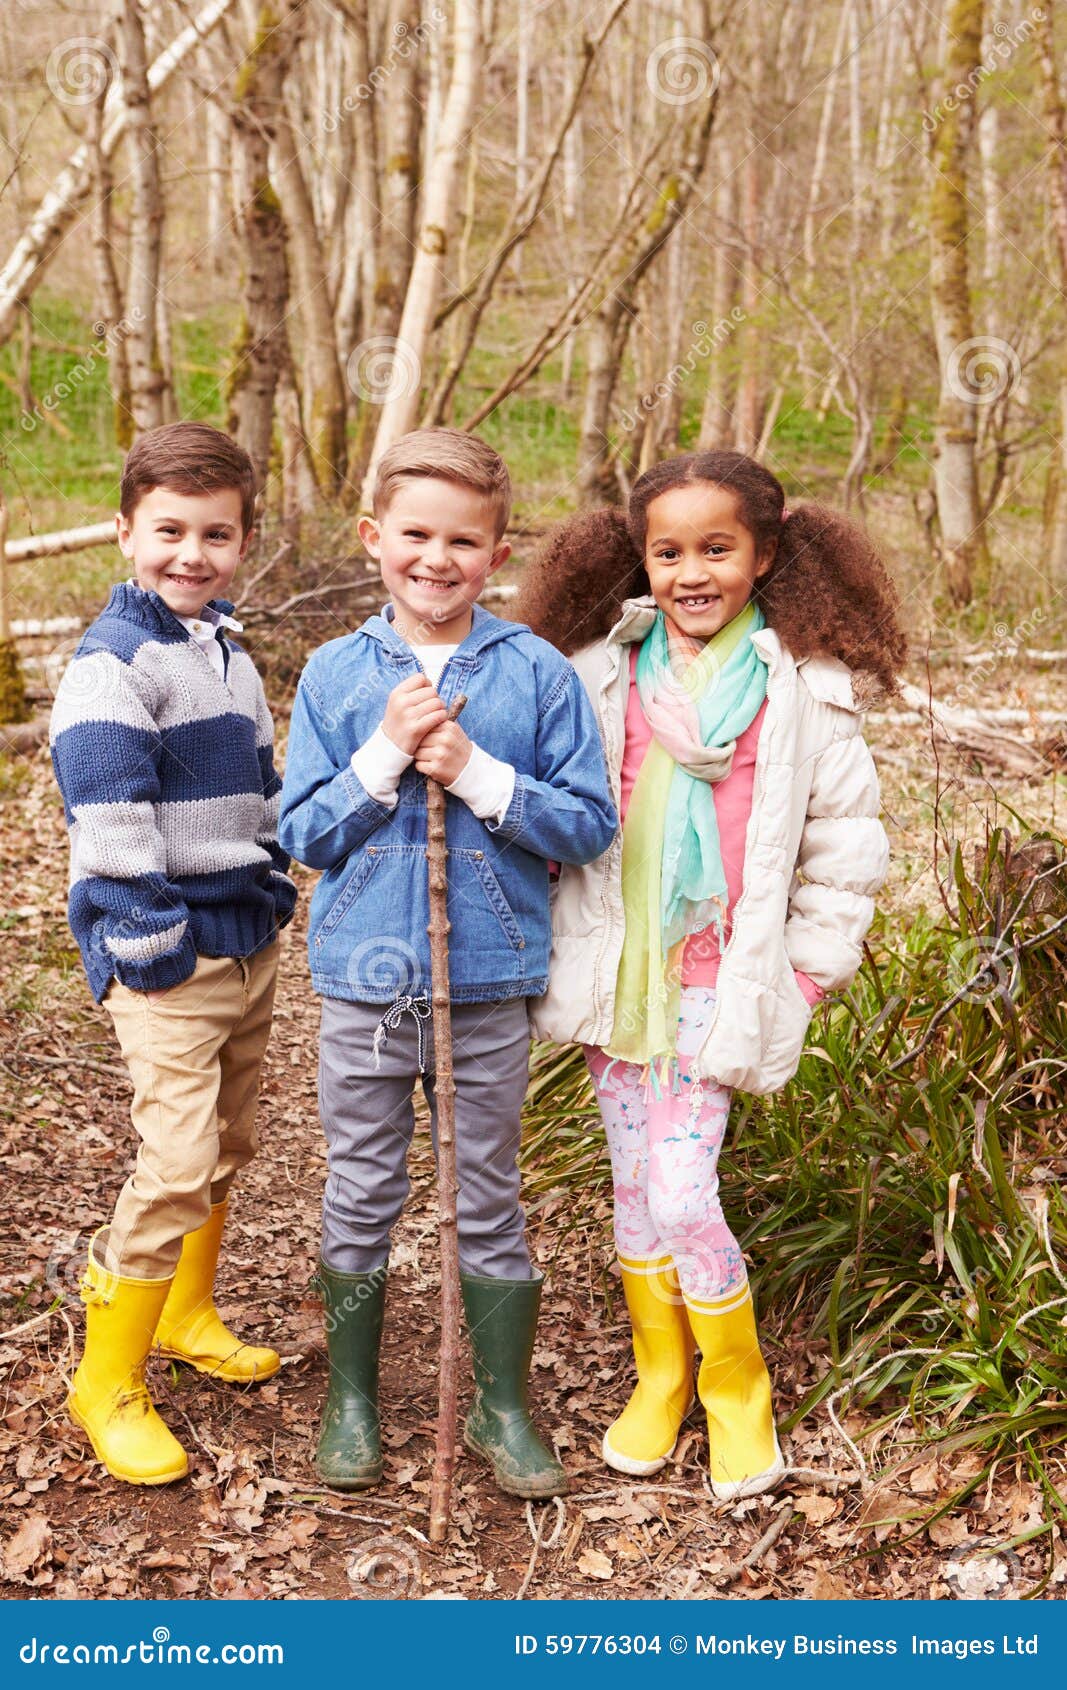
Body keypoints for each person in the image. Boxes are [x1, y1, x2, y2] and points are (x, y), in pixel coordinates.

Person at [521, 449, 906, 1501]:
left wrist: (806, 978)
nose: (691, 572)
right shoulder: (599, 674)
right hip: (618, 977)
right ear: (640, 559)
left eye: (716, 549)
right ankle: (661, 1376)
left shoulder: (804, 692)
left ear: (763, 555)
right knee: (634, 1189)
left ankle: (737, 1389)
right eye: (668, 552)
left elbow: (843, 850)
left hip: (723, 979)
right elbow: (564, 819)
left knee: (683, 1190)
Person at [278, 428, 616, 1500]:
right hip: (365, 985)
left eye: (463, 541)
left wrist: (476, 772)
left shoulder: (536, 673)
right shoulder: (335, 674)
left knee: (487, 1195)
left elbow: (587, 825)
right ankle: (351, 1399)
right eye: (415, 535)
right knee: (362, 1188)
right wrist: (383, 754)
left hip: (487, 983)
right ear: (372, 536)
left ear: (497, 552)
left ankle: (499, 1404)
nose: (437, 559)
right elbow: (304, 834)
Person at [49, 422, 296, 1486]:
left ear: (243, 541)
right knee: (177, 1160)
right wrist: (155, 947)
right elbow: (110, 823)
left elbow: (262, 786)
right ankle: (106, 1379)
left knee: (228, 1140)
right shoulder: (111, 665)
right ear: (124, 531)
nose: (191, 553)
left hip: (246, 937)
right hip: (171, 954)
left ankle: (187, 1312)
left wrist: (273, 883)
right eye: (169, 530)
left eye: (216, 534)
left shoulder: (225, 652)